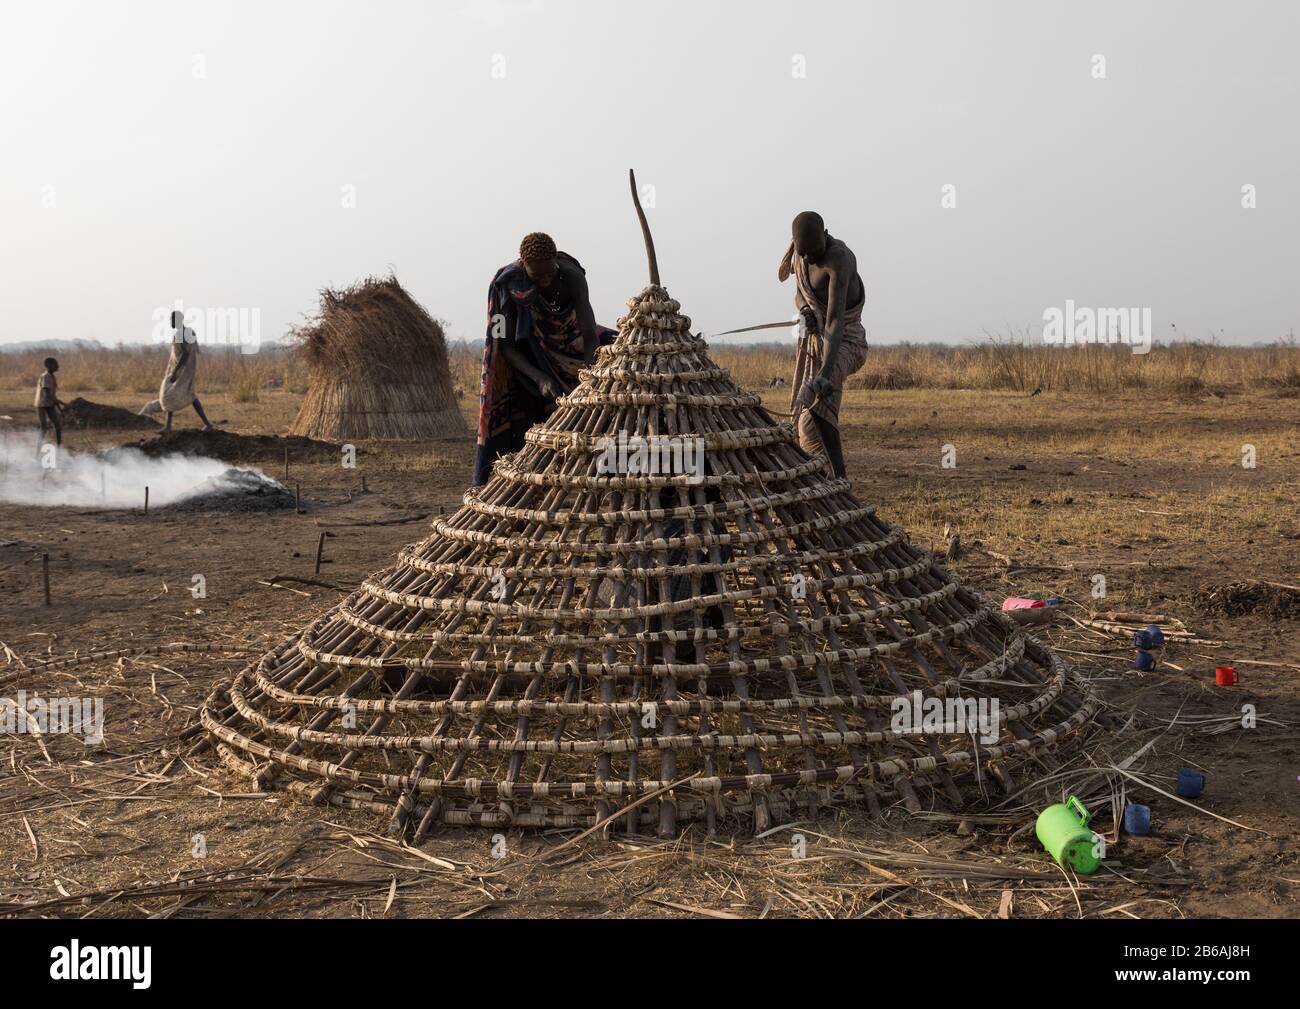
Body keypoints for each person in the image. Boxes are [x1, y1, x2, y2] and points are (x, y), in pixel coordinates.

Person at [474, 232, 614, 485]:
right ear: (524, 269)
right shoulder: (508, 287)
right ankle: (524, 479)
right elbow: (503, 345)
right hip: (529, 352)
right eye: (538, 276)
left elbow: (590, 333)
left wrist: (593, 377)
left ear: (556, 263)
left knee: (619, 356)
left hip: (571, 341)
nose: (546, 280)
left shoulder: (573, 277)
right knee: (529, 407)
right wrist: (539, 378)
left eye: (550, 273)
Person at [778, 211, 869, 479]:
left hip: (845, 343)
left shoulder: (839, 259)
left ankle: (838, 478)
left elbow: (834, 320)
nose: (807, 259)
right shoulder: (802, 253)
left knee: (817, 408)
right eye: (802, 252)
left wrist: (826, 374)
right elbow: (800, 293)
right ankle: (821, 477)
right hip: (818, 342)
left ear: (825, 235)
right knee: (808, 415)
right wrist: (805, 309)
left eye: (812, 251)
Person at [139, 311, 214, 432]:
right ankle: (171, 425)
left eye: (172, 320)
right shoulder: (187, 332)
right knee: (183, 394)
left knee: (169, 394)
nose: (170, 322)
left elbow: (184, 353)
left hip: (182, 369)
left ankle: (170, 426)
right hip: (188, 368)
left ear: (178, 320)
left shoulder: (181, 333)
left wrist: (175, 372)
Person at [35, 356, 66, 450]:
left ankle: (59, 448)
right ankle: (37, 452)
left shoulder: (52, 376)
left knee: (58, 425)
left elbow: (52, 395)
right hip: (42, 404)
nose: (58, 366)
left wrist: (60, 408)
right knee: (44, 428)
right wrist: (61, 403)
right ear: (49, 365)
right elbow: (47, 392)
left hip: (50, 404)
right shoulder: (46, 376)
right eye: (56, 364)